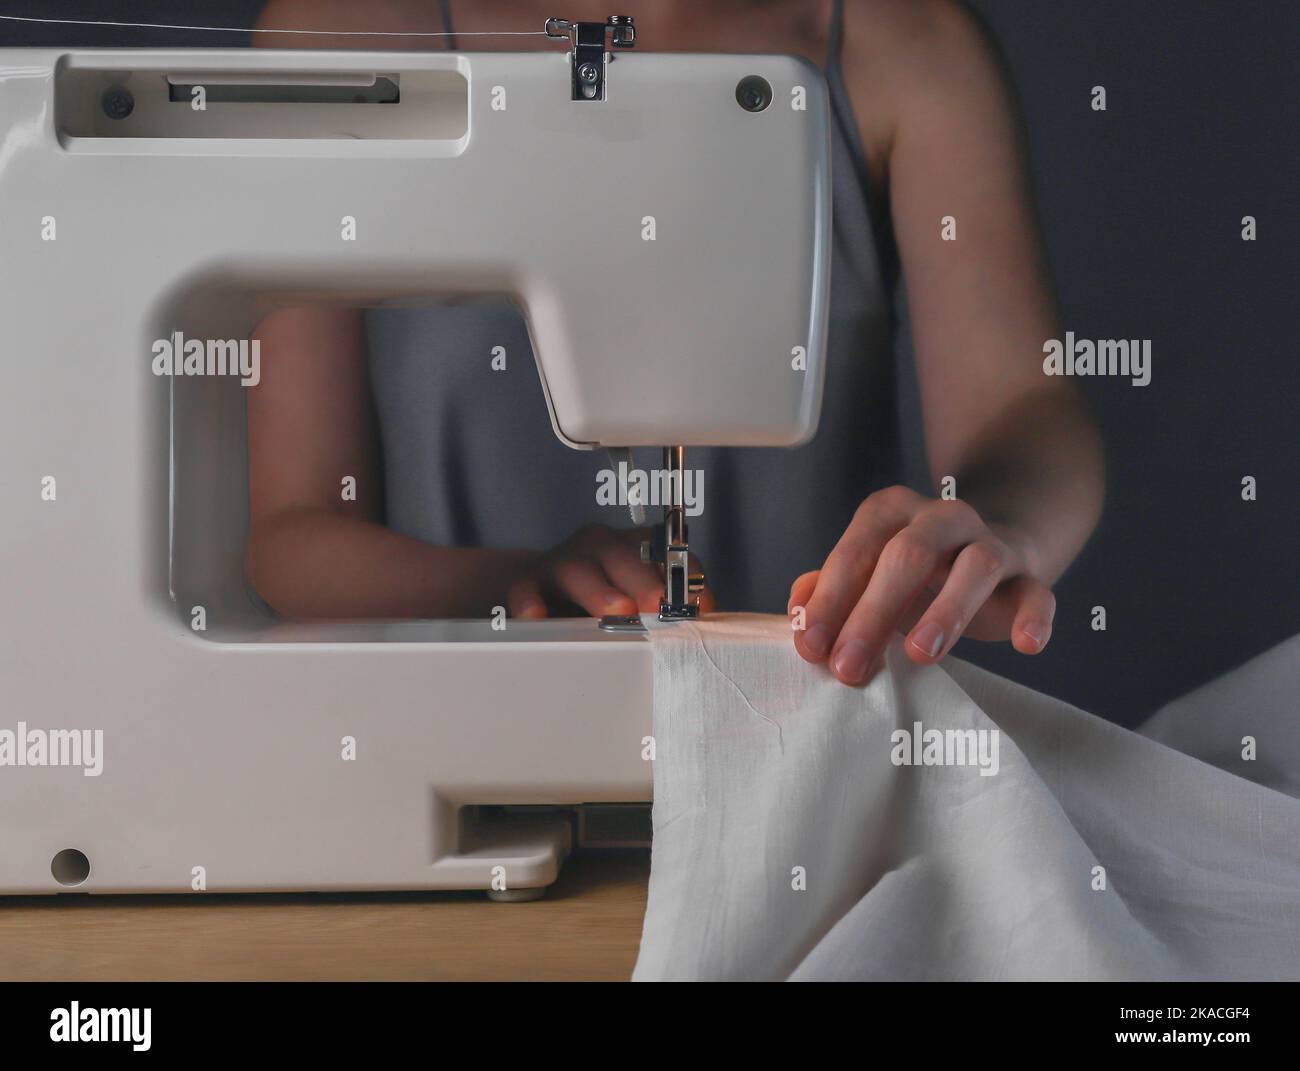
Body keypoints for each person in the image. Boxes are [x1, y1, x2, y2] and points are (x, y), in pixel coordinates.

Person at [245, 0, 1104, 686]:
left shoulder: (905, 46)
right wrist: (504, 587)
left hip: (799, 748)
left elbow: (1026, 404)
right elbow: (294, 528)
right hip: (430, 740)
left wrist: (998, 527)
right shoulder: (336, 40)